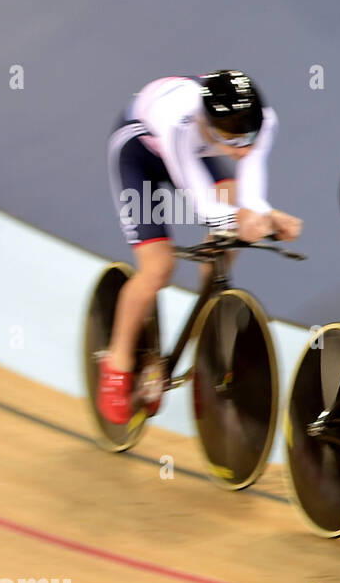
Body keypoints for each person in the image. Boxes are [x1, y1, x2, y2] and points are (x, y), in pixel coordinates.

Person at [99, 70, 302, 423]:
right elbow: (203, 202)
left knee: (229, 236)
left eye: (249, 137)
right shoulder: (181, 123)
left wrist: (262, 212)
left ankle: (206, 299)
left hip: (199, 150)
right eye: (233, 139)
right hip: (140, 153)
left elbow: (249, 191)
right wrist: (253, 218)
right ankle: (116, 364)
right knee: (158, 268)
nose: (244, 147)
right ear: (206, 122)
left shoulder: (263, 121)